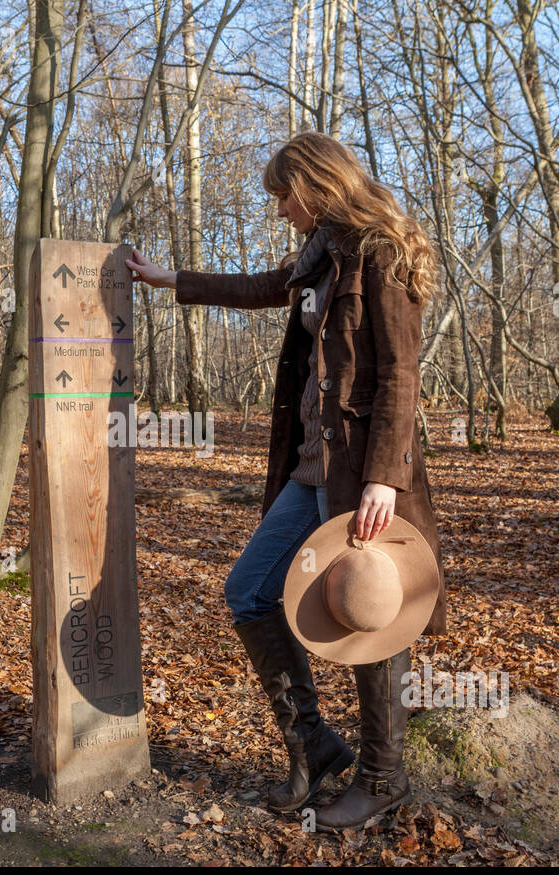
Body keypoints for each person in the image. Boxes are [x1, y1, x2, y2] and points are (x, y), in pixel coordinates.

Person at [125, 131, 447, 831]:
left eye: (281, 196)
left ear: (313, 185)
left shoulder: (380, 254)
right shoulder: (322, 255)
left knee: (375, 616)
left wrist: (385, 478)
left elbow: (399, 374)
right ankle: (313, 745)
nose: (278, 210)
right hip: (311, 469)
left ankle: (384, 776)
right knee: (249, 591)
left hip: (362, 474)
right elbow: (264, 287)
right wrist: (168, 280)